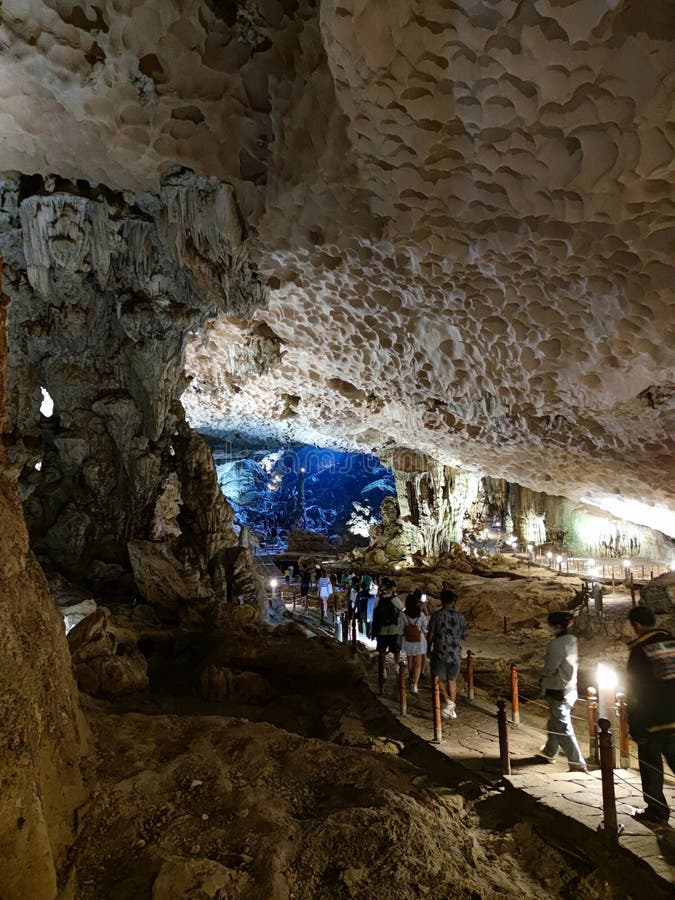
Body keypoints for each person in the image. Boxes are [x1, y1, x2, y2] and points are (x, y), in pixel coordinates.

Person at [626, 606, 675, 823]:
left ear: (636, 625)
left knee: (651, 769)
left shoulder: (639, 650)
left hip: (652, 721)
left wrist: (635, 724)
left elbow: (636, 690)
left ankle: (657, 811)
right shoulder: (672, 643)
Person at [538, 611, 587, 772]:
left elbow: (550, 668)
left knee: (562, 726)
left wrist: (542, 674)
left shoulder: (556, 644)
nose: (549, 628)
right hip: (571, 687)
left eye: (551, 626)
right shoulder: (571, 640)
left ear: (557, 626)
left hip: (557, 687)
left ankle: (577, 763)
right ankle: (549, 752)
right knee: (555, 722)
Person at [427, 588, 468, 719]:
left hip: (440, 651)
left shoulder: (436, 615)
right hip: (455, 652)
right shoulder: (460, 617)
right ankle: (451, 707)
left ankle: (448, 702)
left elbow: (431, 634)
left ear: (442, 600)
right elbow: (465, 635)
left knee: (437, 677)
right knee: (452, 680)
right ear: (453, 601)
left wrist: (428, 648)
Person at [398, 593, 428, 693]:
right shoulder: (420, 614)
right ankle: (415, 684)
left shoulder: (403, 614)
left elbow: (400, 630)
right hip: (419, 640)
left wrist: (398, 641)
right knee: (418, 663)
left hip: (407, 640)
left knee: (410, 660)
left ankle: (411, 679)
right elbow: (425, 629)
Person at [373, 578, 403, 672]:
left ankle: (383, 668)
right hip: (393, 628)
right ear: (392, 588)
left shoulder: (378, 599)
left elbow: (374, 609)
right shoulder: (394, 599)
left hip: (381, 628)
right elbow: (402, 609)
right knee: (396, 649)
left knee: (382, 650)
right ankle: (396, 666)